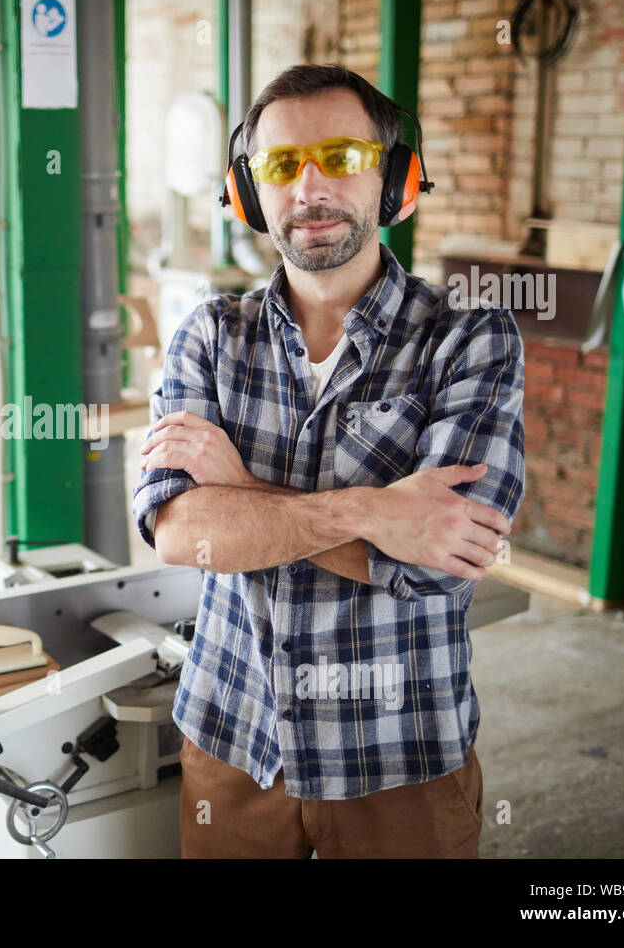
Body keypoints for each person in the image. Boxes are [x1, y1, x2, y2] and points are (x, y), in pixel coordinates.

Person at [134, 64, 525, 858]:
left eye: (341, 156)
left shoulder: (469, 337)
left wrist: (240, 490)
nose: (309, 187)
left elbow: (442, 567)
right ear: (250, 195)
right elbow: (180, 533)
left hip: (399, 751)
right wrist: (375, 511)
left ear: (394, 181)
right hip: (234, 738)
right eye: (281, 166)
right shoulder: (209, 336)